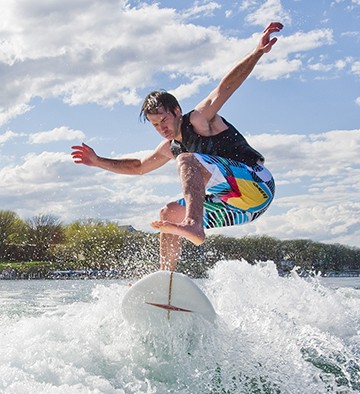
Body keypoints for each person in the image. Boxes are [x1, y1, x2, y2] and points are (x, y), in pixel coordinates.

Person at [71, 22, 283, 271]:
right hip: (242, 209)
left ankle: (194, 224)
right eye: (154, 125)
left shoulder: (199, 120)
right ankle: (166, 282)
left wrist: (257, 51)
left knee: (186, 159)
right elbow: (139, 166)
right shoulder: (169, 147)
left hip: (257, 185)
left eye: (164, 120)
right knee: (168, 213)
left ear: (177, 111)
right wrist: (98, 161)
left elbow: (225, 87)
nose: (161, 128)